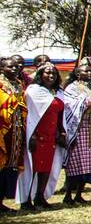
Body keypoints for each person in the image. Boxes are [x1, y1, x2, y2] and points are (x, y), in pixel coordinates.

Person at [19, 63, 67, 209]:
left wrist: (62, 132)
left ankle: (40, 196)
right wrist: (31, 135)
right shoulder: (33, 91)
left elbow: (61, 115)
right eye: (47, 73)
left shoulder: (58, 92)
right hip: (36, 135)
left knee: (47, 167)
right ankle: (25, 199)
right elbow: (30, 116)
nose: (50, 75)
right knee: (32, 167)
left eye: (53, 73)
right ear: (40, 74)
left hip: (51, 136)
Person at [60, 59, 91, 206]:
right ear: (77, 74)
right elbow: (69, 105)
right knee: (76, 163)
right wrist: (84, 103)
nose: (89, 73)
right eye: (85, 71)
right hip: (78, 129)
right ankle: (68, 195)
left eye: (90, 71)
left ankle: (79, 194)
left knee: (89, 163)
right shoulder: (71, 88)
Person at [0, 57, 27, 211]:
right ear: (2, 68)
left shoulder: (18, 84)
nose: (15, 69)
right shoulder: (1, 84)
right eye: (10, 67)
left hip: (16, 130)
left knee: (10, 165)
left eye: (16, 67)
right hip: (3, 129)